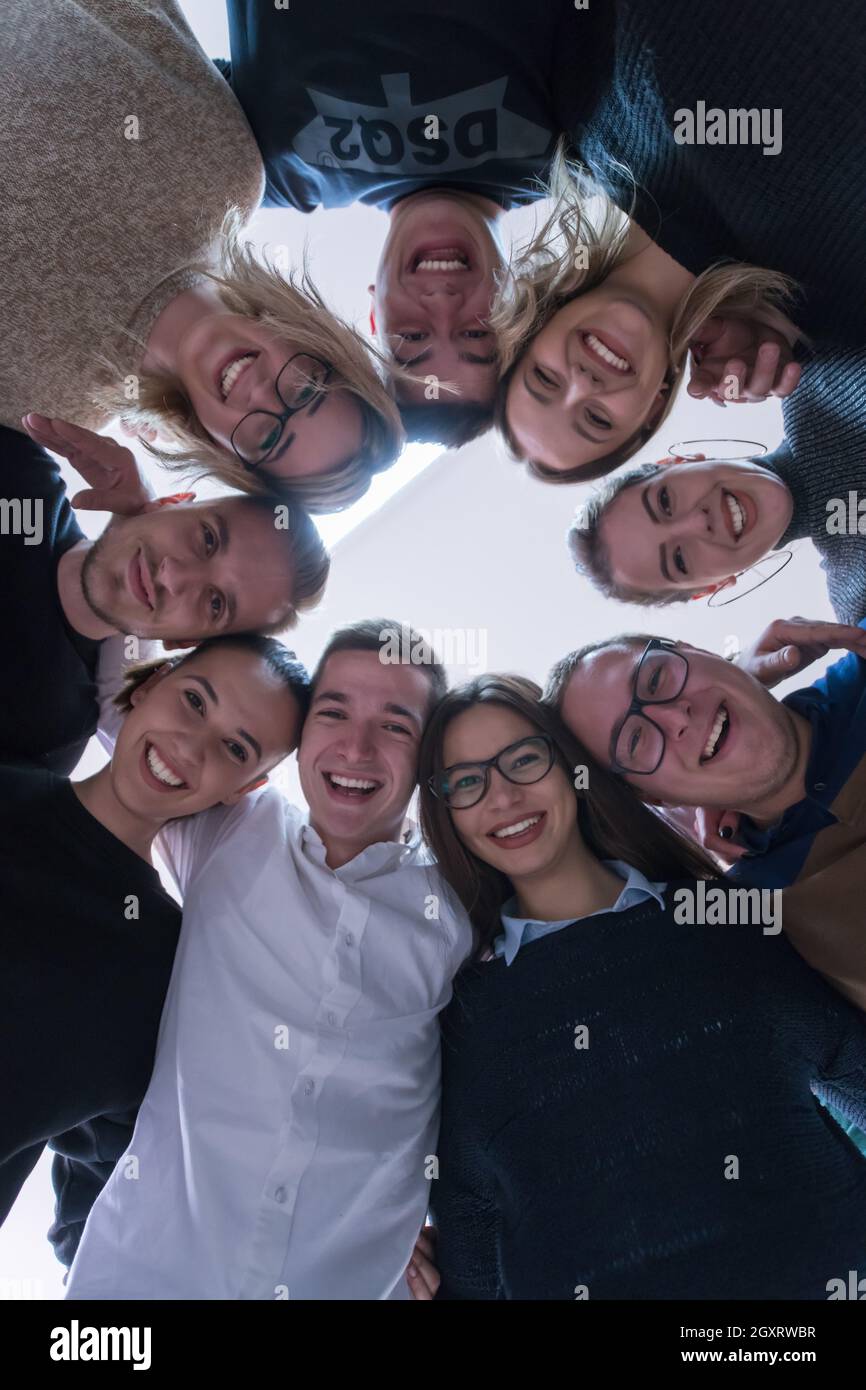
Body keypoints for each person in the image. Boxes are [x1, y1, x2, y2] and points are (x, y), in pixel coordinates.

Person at [416, 674, 866, 1299]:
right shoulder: (460, 1017)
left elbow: (852, 1067)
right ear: (447, 815)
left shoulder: (725, 918)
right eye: (467, 781)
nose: (503, 796)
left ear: (571, 766)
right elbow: (467, 1219)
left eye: (523, 759)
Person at [64, 620, 473, 1300]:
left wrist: (454, 1217)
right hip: (136, 1285)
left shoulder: (462, 903)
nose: (356, 747)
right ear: (299, 737)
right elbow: (127, 698)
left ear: (431, 758)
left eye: (396, 726)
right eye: (333, 713)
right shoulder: (230, 825)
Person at [2, 0, 403, 512]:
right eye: (305, 389)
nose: (263, 396)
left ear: (223, 450)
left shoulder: (42, 406)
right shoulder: (225, 169)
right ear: (320, 340)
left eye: (267, 440)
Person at [0, 634, 309, 1268]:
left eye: (234, 748)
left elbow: (115, 1190)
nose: (191, 747)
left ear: (242, 788)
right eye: (195, 700)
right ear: (147, 686)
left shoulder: (168, 976)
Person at [218, 0, 611, 445]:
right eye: (476, 333)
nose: (443, 301)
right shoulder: (583, 148)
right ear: (521, 302)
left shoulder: (264, 176)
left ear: (373, 313)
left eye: (411, 336)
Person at [545, 621, 866, 1011]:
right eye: (635, 741)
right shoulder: (753, 926)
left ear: (699, 650)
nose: (677, 718)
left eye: (658, 677)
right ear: (654, 797)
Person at [0, 420, 327, 775]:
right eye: (207, 539)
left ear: (184, 640)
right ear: (169, 502)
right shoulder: (21, 480)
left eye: (215, 603)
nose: (172, 576)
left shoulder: (51, 732)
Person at [492, 148, 804, 482]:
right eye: (597, 419)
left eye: (545, 378)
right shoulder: (810, 299)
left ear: (536, 326)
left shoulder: (595, 134)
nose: (584, 383)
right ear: (653, 409)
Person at [568, 344, 866, 621]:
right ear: (712, 587)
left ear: (677, 462)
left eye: (665, 501)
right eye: (680, 560)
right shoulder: (859, 606)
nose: (698, 522)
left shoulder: (818, 351)